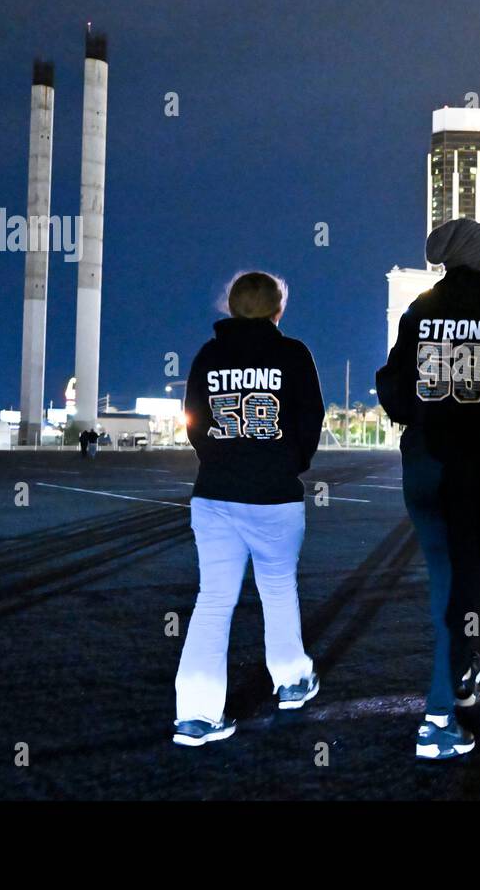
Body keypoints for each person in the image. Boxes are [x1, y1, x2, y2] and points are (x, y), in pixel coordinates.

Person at [376, 218, 480, 760]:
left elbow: (394, 387)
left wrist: (422, 422)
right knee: (463, 584)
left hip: (425, 463)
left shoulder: (419, 312)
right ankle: (438, 719)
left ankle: (463, 669)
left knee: (449, 576)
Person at [172, 270, 326, 747]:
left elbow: (194, 418)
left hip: (215, 492)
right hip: (273, 495)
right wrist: (288, 462)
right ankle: (292, 680)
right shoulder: (292, 354)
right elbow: (310, 417)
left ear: (231, 307)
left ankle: (196, 713)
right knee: (278, 590)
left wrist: (219, 458)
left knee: (213, 599)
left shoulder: (209, 354)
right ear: (278, 309)